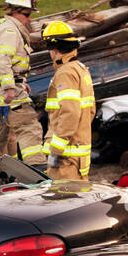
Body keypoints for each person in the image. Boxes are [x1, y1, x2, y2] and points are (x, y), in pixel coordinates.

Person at [0, 0, 46, 172]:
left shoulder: (3, 28)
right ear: (15, 12)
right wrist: (9, 87)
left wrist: (20, 82)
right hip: (5, 93)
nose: (29, 19)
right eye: (27, 14)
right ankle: (38, 169)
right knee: (28, 127)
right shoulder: (9, 30)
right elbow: (3, 59)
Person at [41, 21, 95, 181]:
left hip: (66, 157)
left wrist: (56, 149)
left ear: (55, 49)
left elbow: (70, 112)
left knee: (64, 199)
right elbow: (90, 110)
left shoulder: (65, 73)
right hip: (78, 153)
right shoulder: (80, 69)